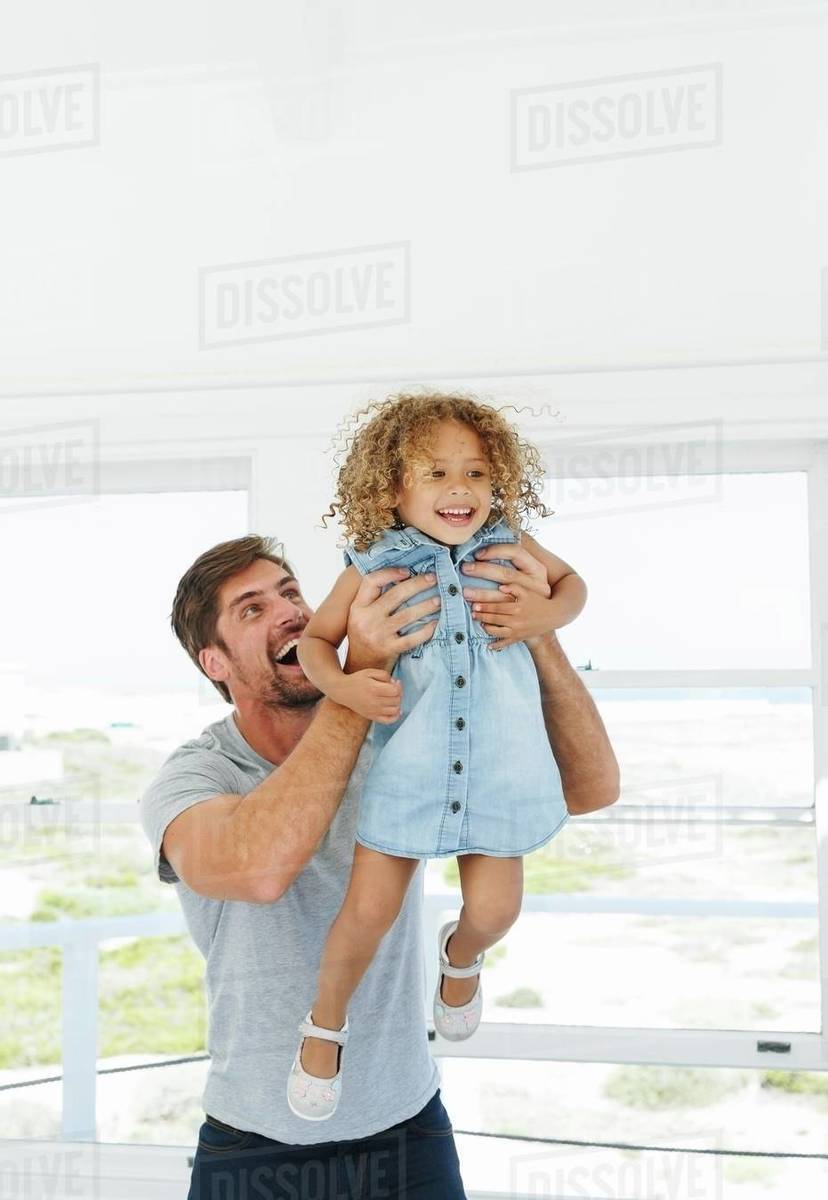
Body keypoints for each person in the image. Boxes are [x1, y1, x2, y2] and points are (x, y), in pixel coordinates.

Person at [139, 514, 619, 1199]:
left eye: (289, 593)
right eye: (254, 609)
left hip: (409, 1127)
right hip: (253, 1143)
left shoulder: (399, 741)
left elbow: (593, 787)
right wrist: (357, 673)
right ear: (213, 663)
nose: (292, 614)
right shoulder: (196, 776)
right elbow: (259, 869)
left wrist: (528, 626)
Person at [287, 392, 613, 1122]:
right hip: (410, 773)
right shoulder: (371, 565)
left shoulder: (510, 545)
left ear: (500, 482)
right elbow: (314, 643)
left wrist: (544, 615)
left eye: (475, 472)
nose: (459, 489)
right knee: (366, 915)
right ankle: (325, 1021)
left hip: (502, 772)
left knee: (497, 911)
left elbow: (574, 586)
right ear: (391, 488)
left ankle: (460, 956)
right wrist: (343, 684)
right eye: (434, 474)